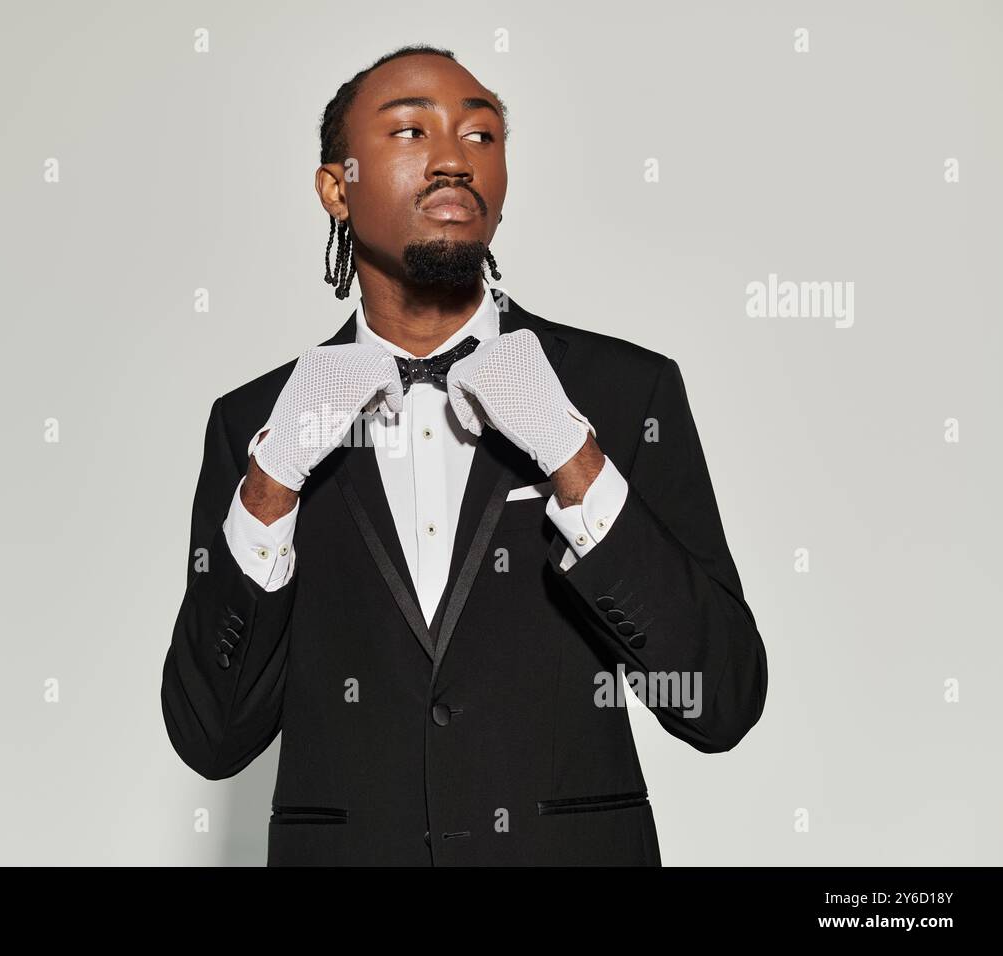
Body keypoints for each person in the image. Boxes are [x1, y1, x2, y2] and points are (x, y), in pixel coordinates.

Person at [160, 43, 768, 866]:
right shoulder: (253, 424)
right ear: (338, 188)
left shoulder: (628, 393)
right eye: (410, 132)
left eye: (482, 136)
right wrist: (273, 480)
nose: (454, 157)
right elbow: (212, 736)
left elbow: (720, 699)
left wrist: (572, 455)